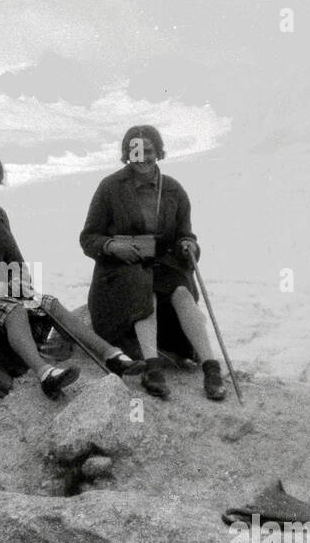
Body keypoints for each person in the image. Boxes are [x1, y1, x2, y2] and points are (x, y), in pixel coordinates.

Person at [0, 144, 145, 399]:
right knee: (13, 309)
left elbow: (16, 261)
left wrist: (21, 282)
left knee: (49, 302)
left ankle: (113, 356)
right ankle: (45, 374)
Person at [80, 125, 227, 400]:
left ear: (158, 152)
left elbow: (186, 234)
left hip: (163, 265)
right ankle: (152, 367)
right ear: (126, 154)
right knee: (142, 288)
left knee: (182, 290)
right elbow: (89, 238)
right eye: (134, 151)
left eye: (148, 150)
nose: (142, 157)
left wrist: (189, 246)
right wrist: (113, 246)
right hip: (119, 270)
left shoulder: (173, 189)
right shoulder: (110, 187)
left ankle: (211, 367)